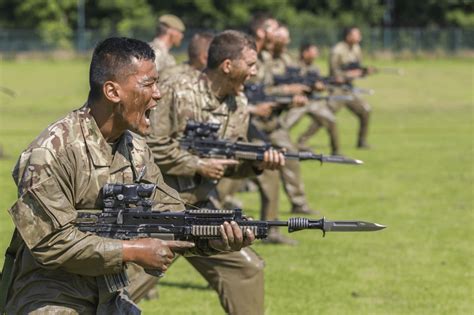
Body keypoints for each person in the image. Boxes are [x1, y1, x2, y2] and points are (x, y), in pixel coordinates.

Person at [1, 37, 254, 314]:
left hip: (108, 294)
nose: (158, 94)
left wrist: (215, 236)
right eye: (149, 84)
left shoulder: (136, 150)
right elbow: (51, 243)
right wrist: (132, 251)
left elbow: (170, 217)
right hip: (48, 294)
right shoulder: (50, 152)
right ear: (112, 91)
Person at [146, 30, 284, 315]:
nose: (255, 72)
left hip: (199, 209)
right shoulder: (175, 87)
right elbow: (149, 145)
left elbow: (230, 162)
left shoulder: (239, 105)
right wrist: (196, 164)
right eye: (251, 64)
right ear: (227, 65)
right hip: (152, 211)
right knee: (117, 288)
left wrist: (257, 163)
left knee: (247, 270)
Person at [281, 41, 341, 155]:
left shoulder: (315, 68)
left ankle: (336, 152)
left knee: (331, 121)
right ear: (305, 53)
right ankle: (279, 149)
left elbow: (319, 83)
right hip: (297, 102)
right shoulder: (293, 66)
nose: (316, 55)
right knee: (285, 125)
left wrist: (320, 87)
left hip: (312, 102)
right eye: (314, 52)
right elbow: (288, 82)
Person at [329, 26, 373, 149]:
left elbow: (358, 68)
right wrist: (349, 74)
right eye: (356, 34)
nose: (360, 37)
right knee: (325, 115)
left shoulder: (356, 49)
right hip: (337, 89)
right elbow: (334, 73)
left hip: (349, 89)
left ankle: (362, 142)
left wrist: (364, 71)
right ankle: (302, 141)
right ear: (348, 36)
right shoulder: (337, 50)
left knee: (365, 111)